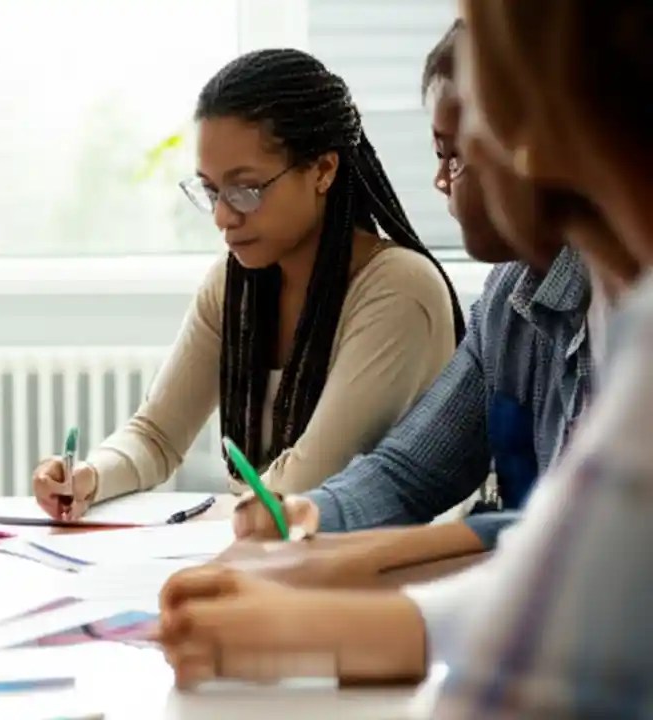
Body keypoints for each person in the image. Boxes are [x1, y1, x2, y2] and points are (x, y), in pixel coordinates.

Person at [159, 3, 653, 713]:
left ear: (537, 121)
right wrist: (311, 526)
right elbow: (413, 470)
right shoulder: (518, 299)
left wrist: (330, 584)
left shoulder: (408, 285)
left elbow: (565, 563)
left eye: (463, 136)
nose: (447, 173)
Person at [33, 48, 464, 520]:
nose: (222, 215)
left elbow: (310, 481)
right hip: (273, 558)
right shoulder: (235, 281)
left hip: (370, 574)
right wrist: (90, 477)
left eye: (245, 189)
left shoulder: (399, 290)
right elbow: (156, 435)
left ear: (323, 170)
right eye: (212, 190)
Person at [230, 20, 593, 572]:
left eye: (455, 155)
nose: (441, 181)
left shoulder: (622, 313)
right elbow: (411, 471)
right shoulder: (506, 299)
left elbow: (588, 536)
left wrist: (355, 555)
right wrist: (310, 515)